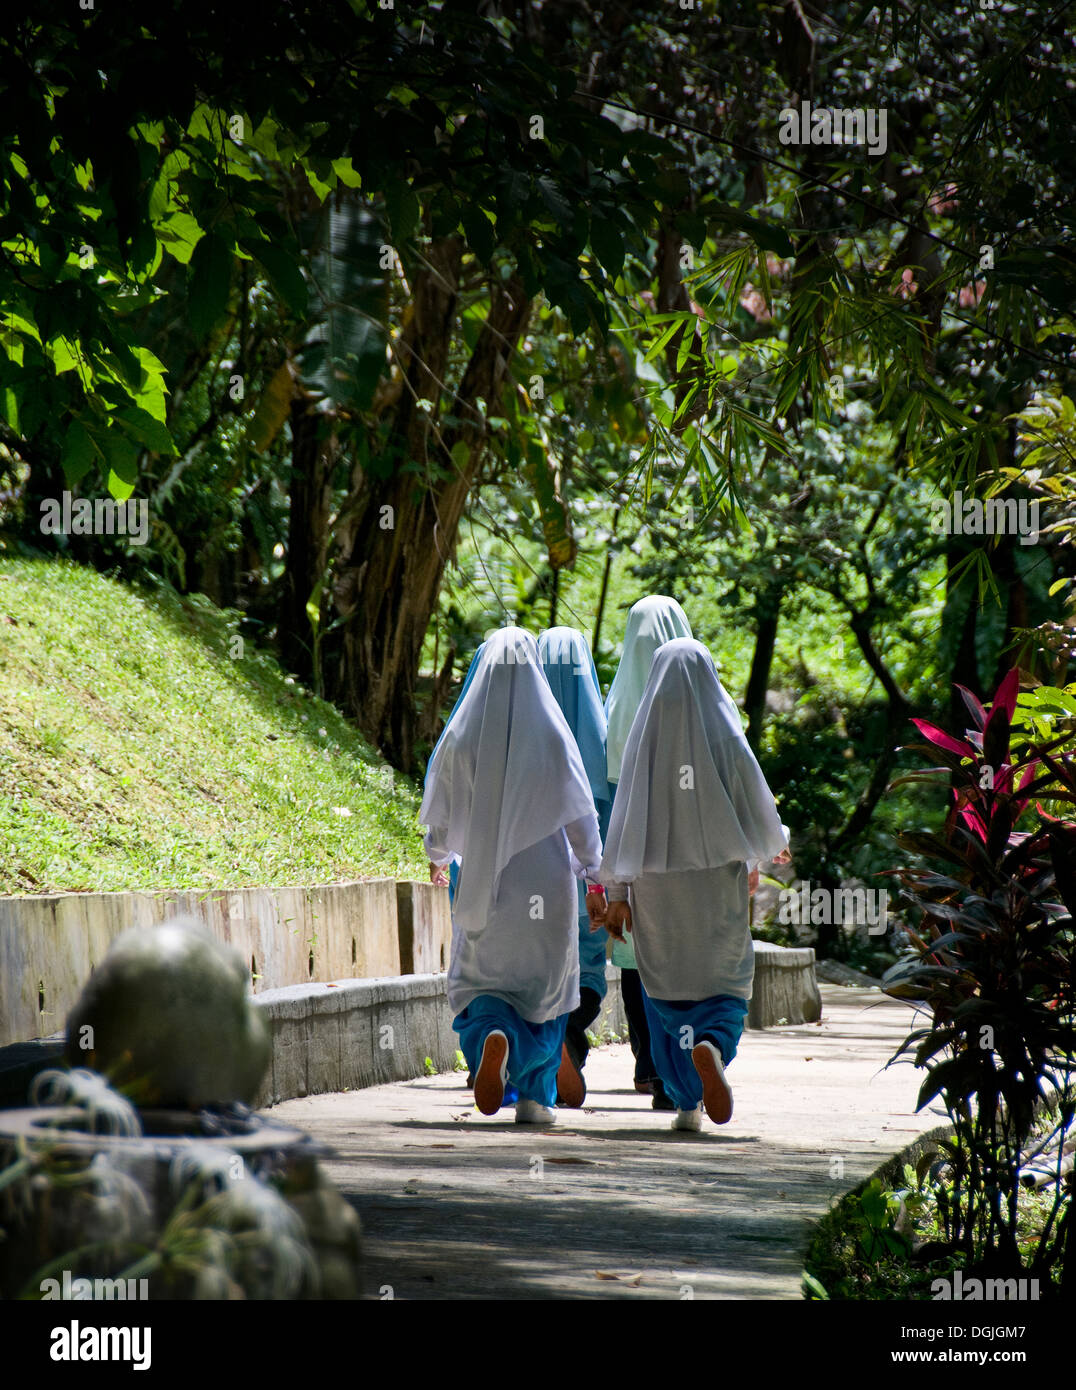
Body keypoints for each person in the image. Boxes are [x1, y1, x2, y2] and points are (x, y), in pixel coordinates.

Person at [599, 638, 789, 1132]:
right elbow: (751, 794)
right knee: (722, 985)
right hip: (714, 884)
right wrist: (772, 842)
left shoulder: (644, 736)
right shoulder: (723, 731)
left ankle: (686, 1101)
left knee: (666, 992)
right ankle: (713, 1045)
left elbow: (622, 820)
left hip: (655, 889)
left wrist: (617, 895)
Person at [420, 627, 607, 1124]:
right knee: (546, 993)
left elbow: (437, 813)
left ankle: (492, 1037)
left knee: (482, 981)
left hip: (486, 883)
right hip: (546, 887)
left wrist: (439, 856)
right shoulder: (551, 732)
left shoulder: (461, 735)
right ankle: (534, 1100)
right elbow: (582, 816)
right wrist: (593, 874)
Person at [603, 595, 694, 1109]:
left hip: (632, 852)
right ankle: (682, 1062)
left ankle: (649, 1066)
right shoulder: (700, 694)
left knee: (637, 956)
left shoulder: (615, 707)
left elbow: (608, 790)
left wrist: (611, 878)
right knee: (683, 956)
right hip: (689, 855)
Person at [537, 626, 613, 1107]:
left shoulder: (521, 726)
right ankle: (570, 1041)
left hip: (532, 884)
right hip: (588, 876)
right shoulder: (602, 736)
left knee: (533, 971)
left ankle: (537, 1051)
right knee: (587, 969)